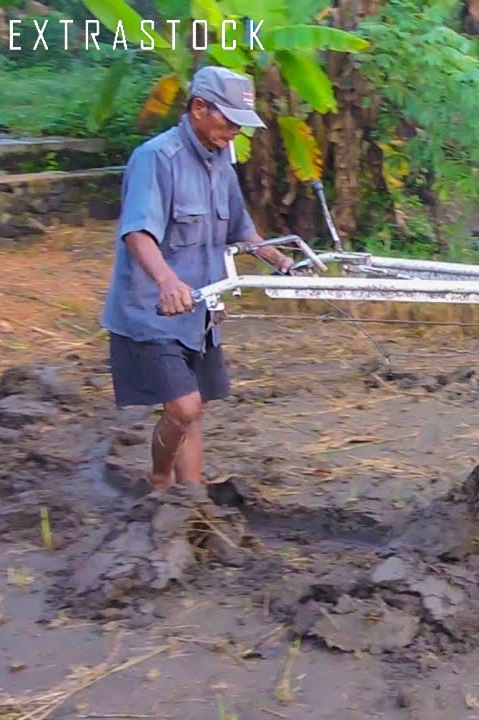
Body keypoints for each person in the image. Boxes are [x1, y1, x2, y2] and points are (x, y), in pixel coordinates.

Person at [100, 65, 297, 497]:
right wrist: (168, 282)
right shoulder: (157, 158)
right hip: (154, 308)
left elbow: (241, 230)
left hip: (201, 310)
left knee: (196, 407)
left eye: (240, 125)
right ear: (199, 108)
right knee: (182, 406)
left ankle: (191, 497)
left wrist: (279, 259)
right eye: (228, 121)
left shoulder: (221, 160)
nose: (235, 133)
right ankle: (158, 480)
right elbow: (137, 232)